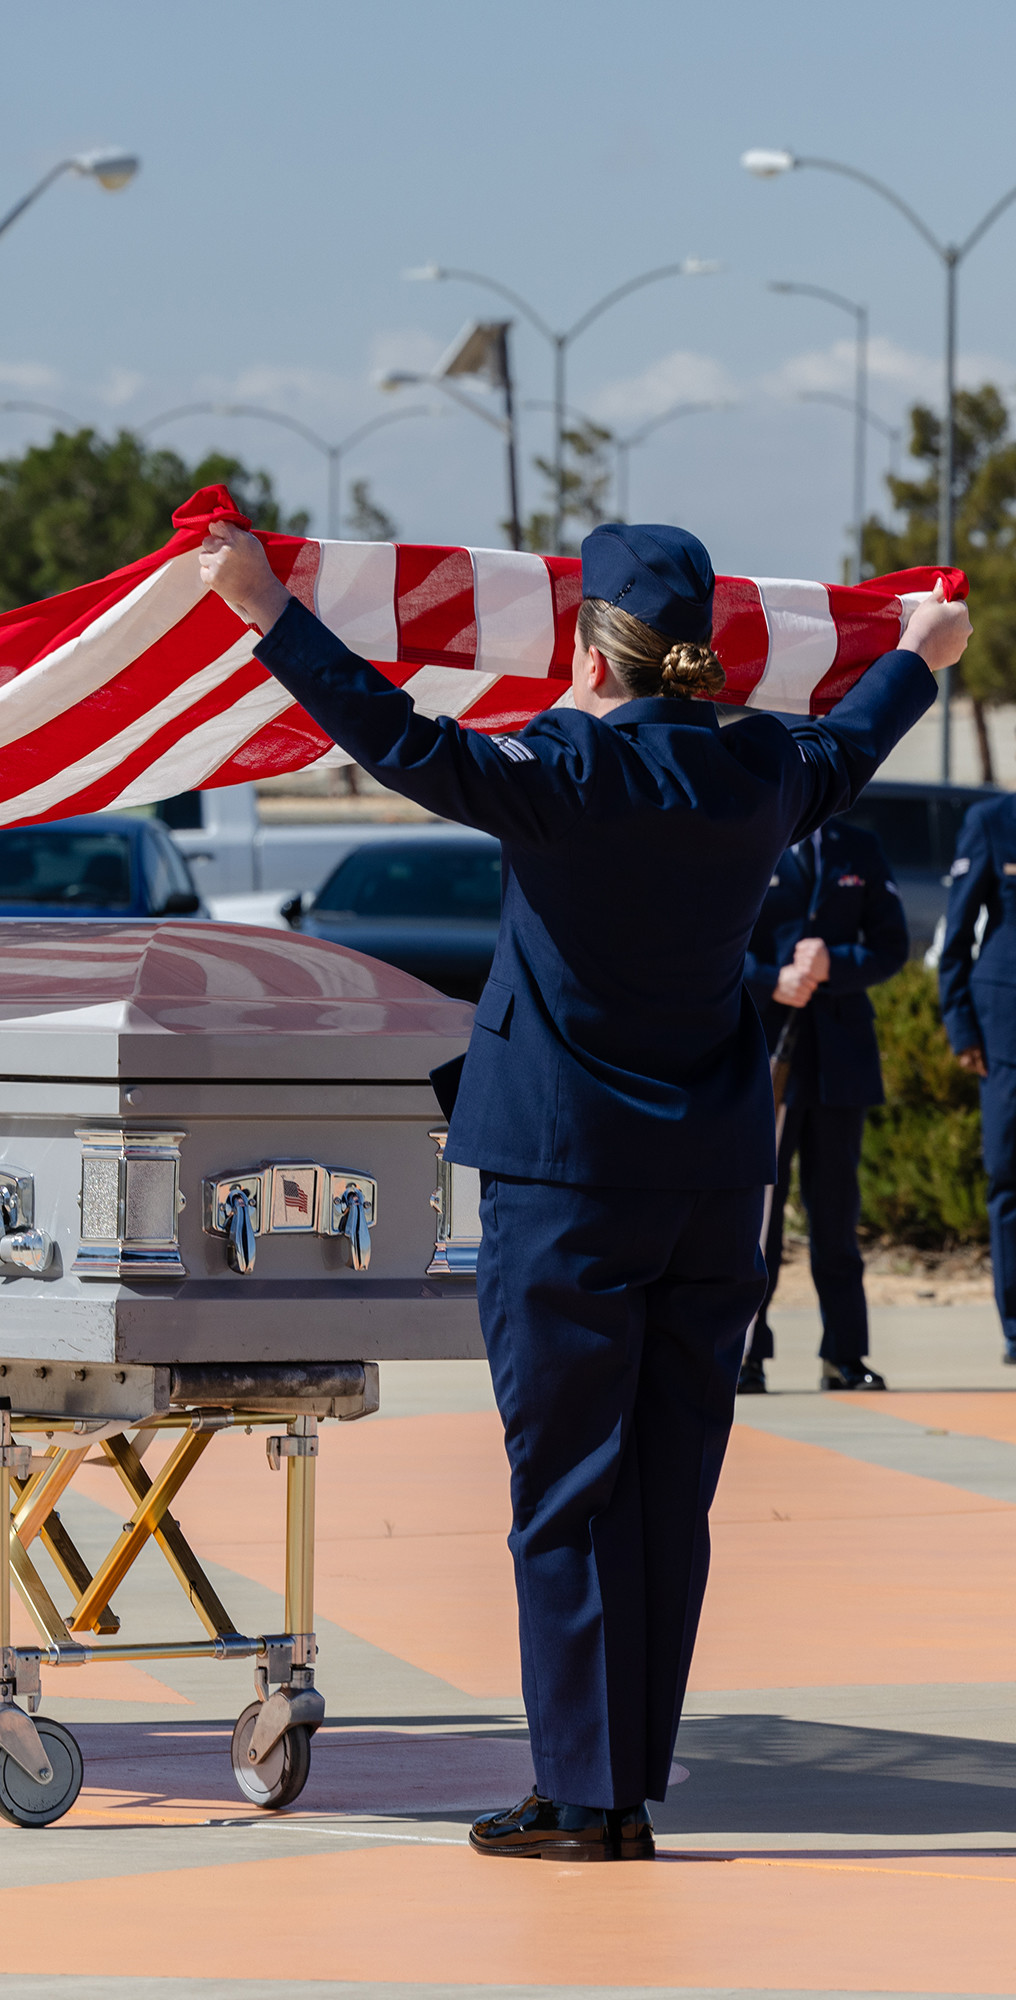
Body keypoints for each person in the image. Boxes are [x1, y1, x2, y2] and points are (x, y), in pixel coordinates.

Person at [197, 516, 967, 1861]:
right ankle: (623, 1783)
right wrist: (919, 655)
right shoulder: (760, 769)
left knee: (565, 1487)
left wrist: (269, 611)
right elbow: (849, 744)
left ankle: (584, 1795)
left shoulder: (564, 767)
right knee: (668, 1491)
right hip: (713, 1184)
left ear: (589, 651)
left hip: (567, 1179)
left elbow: (401, 739)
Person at [739, 817, 908, 1392]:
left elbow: (890, 945)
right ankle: (746, 1352)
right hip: (764, 1056)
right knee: (757, 1216)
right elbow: (707, 941)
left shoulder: (857, 846)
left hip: (839, 1059)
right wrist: (770, 980)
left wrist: (835, 962)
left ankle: (844, 1353)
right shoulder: (746, 833)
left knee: (836, 1215)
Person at [937, 791, 1016, 1367]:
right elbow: (958, 933)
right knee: (1009, 1177)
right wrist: (961, 1025)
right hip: (1006, 1032)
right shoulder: (993, 822)